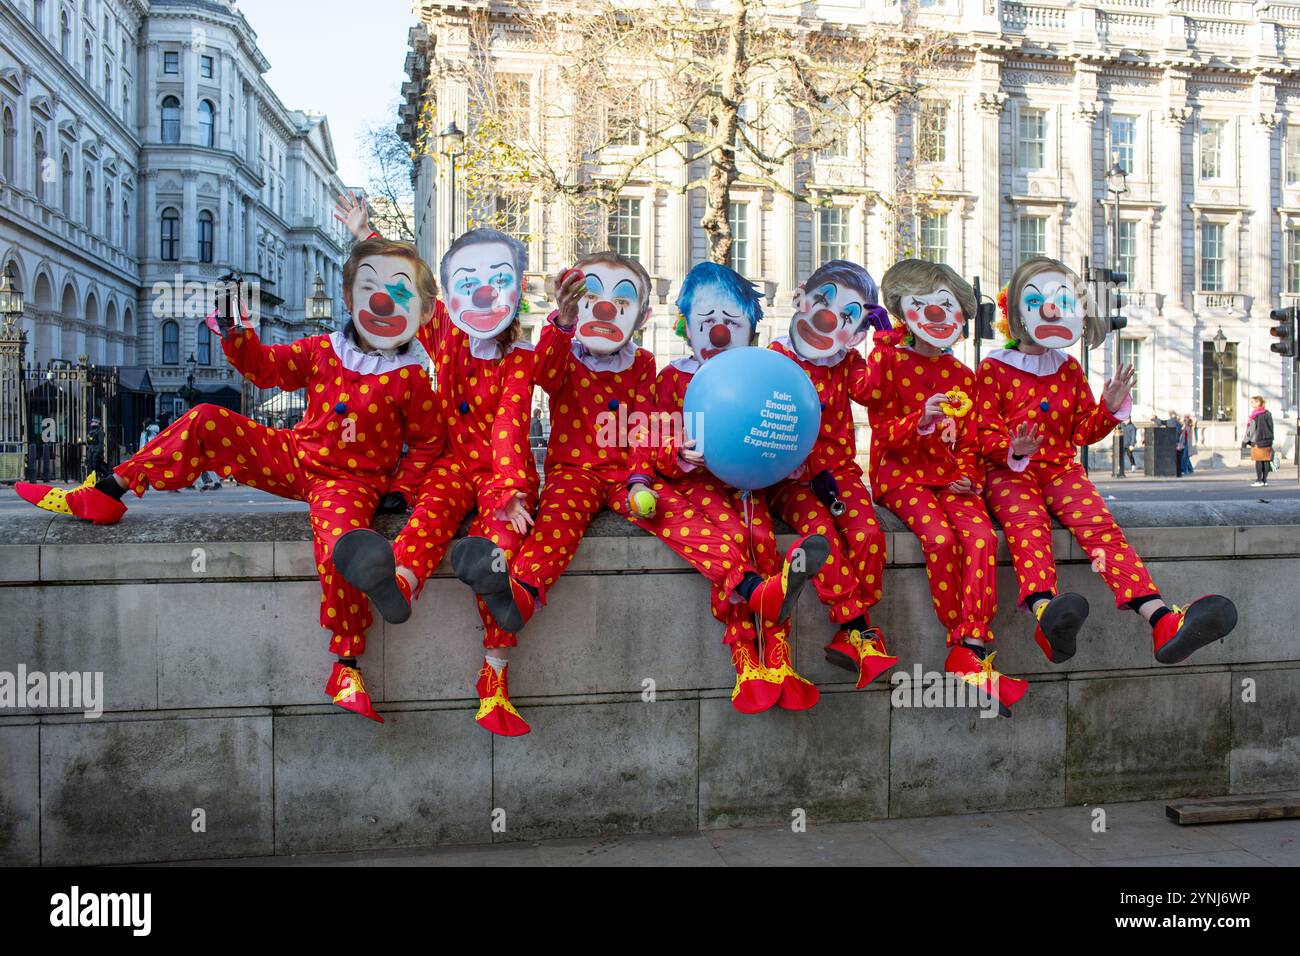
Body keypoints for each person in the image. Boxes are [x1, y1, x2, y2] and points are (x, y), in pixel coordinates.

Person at [16, 237, 447, 724]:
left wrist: (400, 490)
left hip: (349, 483)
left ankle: (346, 664)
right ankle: (104, 493)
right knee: (204, 419)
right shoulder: (324, 349)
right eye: (369, 288)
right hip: (292, 455)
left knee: (342, 547)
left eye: (396, 292)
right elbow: (266, 370)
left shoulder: (412, 378)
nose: (381, 301)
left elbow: (429, 443)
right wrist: (236, 333)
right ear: (349, 298)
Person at [446, 251, 828, 732]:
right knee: (553, 531)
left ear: (644, 316)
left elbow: (652, 427)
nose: (604, 310)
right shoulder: (566, 358)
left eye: (621, 301)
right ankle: (518, 602)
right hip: (574, 474)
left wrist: (659, 468)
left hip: (630, 477)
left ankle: (753, 589)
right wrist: (561, 324)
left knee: (679, 518)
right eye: (591, 300)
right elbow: (541, 371)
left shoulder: (645, 365)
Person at [329, 220, 542, 738]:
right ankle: (400, 582)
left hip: (497, 473)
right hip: (449, 462)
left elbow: (511, 424)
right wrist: (368, 236)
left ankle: (494, 679)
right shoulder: (445, 330)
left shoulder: (520, 360)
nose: (486, 295)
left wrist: (511, 491)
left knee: (499, 552)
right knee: (428, 517)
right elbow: (406, 290)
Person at [977, 256, 1237, 671]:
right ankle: (1046, 613)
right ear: (1019, 314)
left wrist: (1109, 408)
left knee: (1102, 533)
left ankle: (1161, 620)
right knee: (1027, 526)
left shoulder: (1068, 368)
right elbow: (982, 432)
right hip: (1011, 472)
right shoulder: (993, 368)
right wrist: (1016, 447)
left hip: (1062, 469)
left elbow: (1082, 431)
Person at [874, 259, 1016, 711]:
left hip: (953, 481)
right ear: (904, 311)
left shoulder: (963, 375)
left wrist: (968, 478)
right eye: (923, 305)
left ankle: (972, 645)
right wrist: (921, 421)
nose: (937, 315)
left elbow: (972, 439)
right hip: (902, 478)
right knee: (938, 538)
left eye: (946, 305)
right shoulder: (891, 361)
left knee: (980, 538)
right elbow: (883, 434)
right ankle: (963, 643)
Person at [767, 260, 899, 690]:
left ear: (857, 330)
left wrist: (883, 341)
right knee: (820, 537)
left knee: (868, 535)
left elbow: (873, 393)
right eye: (823, 302)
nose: (828, 318)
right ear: (802, 296)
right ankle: (859, 628)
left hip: (838, 471)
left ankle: (852, 634)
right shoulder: (775, 357)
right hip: (788, 479)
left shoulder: (849, 361)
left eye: (848, 316)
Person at [1245, 396, 1274, 487]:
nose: (1252, 404)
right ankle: (1264, 480)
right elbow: (1271, 427)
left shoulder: (1255, 415)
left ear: (1258, 402)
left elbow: (1251, 429)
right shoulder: (1268, 413)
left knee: (1258, 460)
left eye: (1253, 402)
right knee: (1266, 460)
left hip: (1258, 440)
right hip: (1268, 439)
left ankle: (1259, 480)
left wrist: (1246, 441)